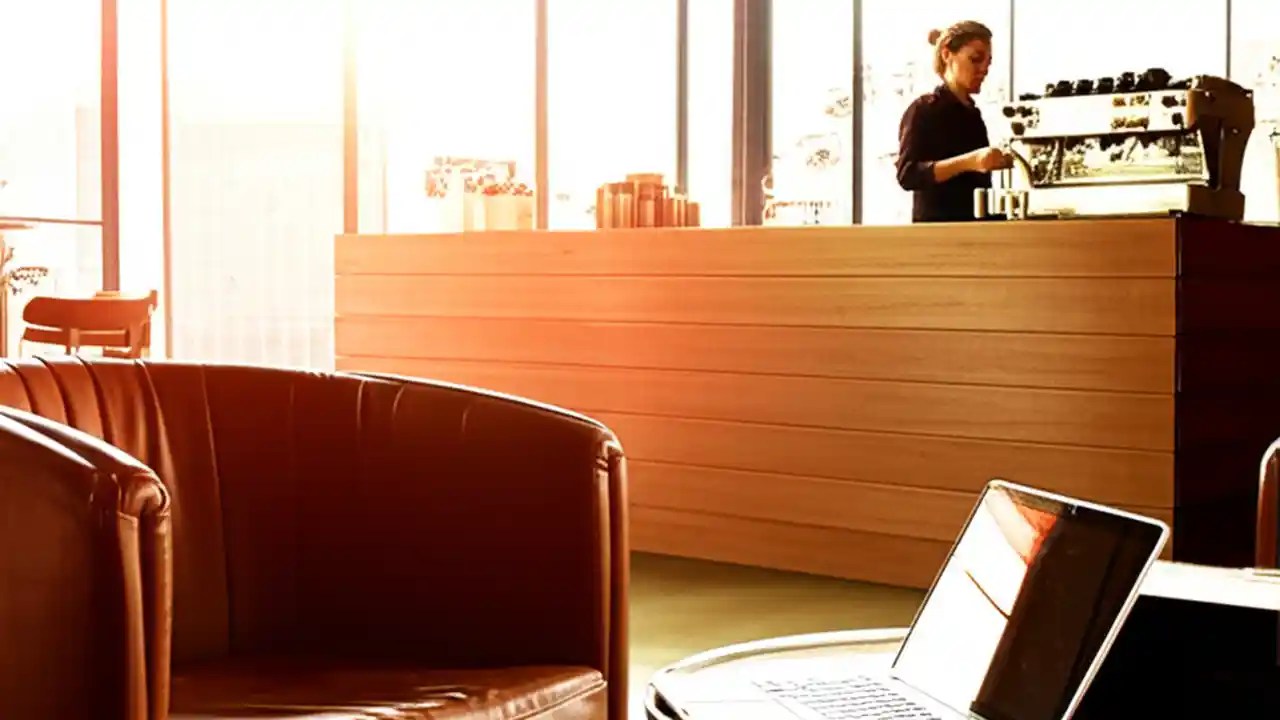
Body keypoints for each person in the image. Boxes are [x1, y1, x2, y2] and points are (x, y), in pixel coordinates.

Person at [896, 20, 1011, 222]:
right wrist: (970, 162)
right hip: (938, 238)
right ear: (947, 54)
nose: (984, 69)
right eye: (976, 59)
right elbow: (908, 175)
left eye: (988, 62)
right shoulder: (923, 110)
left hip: (974, 235)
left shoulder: (973, 115)